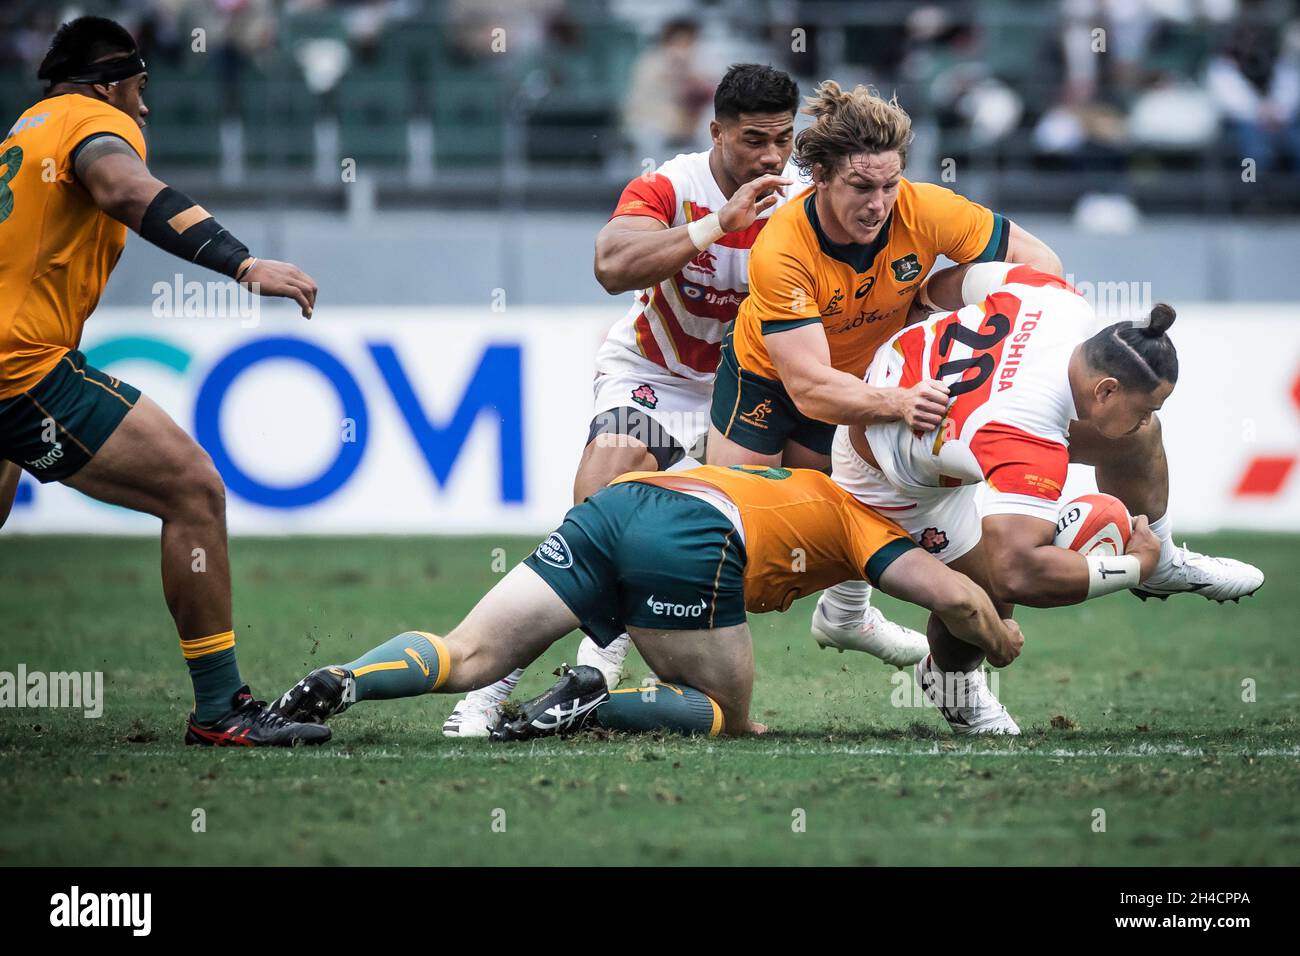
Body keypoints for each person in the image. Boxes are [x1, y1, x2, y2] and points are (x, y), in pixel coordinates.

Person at [440, 65, 926, 738]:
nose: (769, 156)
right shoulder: (671, 185)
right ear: (715, 131)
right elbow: (611, 266)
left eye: (782, 139)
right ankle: (498, 688)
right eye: (753, 139)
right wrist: (712, 228)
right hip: (657, 374)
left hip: (756, 390)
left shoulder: (810, 203)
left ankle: (847, 613)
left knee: (823, 514)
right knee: (602, 492)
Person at [0, 16, 325, 746]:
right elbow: (122, 188)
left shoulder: (24, 131)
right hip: (20, 366)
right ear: (112, 82)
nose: (144, 109)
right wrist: (243, 263)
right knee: (193, 490)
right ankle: (221, 710)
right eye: (140, 89)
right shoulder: (92, 121)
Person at [704, 79, 1062, 671]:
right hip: (772, 378)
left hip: (869, 376)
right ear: (818, 176)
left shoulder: (929, 209)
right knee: (734, 542)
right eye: (860, 186)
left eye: (889, 184)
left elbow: (1041, 267)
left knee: (857, 511)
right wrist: (898, 403)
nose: (878, 203)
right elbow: (810, 387)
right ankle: (617, 643)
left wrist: (952, 299)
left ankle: (847, 616)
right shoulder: (783, 246)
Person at [273, 463, 1023, 739]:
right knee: (728, 717)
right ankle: (589, 702)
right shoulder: (870, 525)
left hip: (625, 502)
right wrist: (999, 641)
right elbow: (956, 599)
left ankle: (342, 682)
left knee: (465, 654)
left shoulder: (809, 482)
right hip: (693, 539)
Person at [833, 261, 1265, 733]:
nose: (1147, 416)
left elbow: (951, 283)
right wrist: (1128, 567)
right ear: (1105, 389)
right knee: (989, 598)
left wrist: (923, 314)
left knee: (1138, 439)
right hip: (889, 478)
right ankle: (948, 682)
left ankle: (1159, 560)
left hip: (935, 413)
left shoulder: (1059, 300)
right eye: (1144, 407)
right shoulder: (1027, 433)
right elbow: (1017, 572)